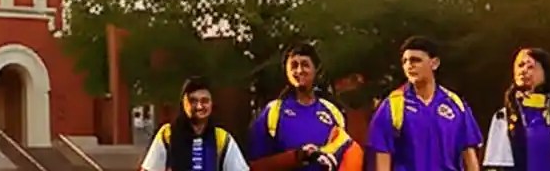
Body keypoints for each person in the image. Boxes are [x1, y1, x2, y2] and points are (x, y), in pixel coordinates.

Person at [367, 36, 481, 171]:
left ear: (434, 63)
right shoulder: (392, 105)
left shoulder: (455, 104)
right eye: (405, 61)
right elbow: (382, 156)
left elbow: (469, 153)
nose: (409, 65)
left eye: (416, 60)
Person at [248, 43, 363, 171]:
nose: (299, 71)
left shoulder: (333, 112)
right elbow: (255, 166)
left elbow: (345, 154)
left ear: (316, 69)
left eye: (305, 64)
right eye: (293, 65)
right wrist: (297, 156)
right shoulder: (273, 112)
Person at [140, 76, 248, 171]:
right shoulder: (167, 134)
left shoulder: (222, 138)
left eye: (204, 101)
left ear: (211, 104)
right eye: (193, 101)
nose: (199, 106)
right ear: (184, 103)